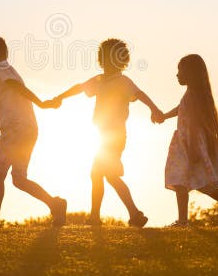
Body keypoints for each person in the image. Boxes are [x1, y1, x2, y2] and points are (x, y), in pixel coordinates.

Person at [51, 38, 163, 227]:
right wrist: (59, 97)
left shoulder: (123, 81)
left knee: (103, 174)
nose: (106, 62)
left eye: (110, 58)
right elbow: (79, 87)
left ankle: (125, 214)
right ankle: (107, 216)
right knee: (101, 174)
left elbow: (140, 94)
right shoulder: (100, 80)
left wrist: (154, 109)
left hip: (115, 135)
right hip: (101, 135)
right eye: (104, 58)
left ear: (120, 61)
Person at [154, 54, 218, 227]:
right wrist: (164, 116)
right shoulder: (192, 94)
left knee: (179, 181)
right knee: (200, 184)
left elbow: (192, 122)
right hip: (188, 141)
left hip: (188, 142)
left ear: (190, 73)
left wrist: (191, 148)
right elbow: (182, 109)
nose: (177, 74)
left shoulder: (193, 94)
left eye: (180, 70)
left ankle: (183, 221)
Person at [0, 36, 67, 228]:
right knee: (19, 179)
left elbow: (16, 87)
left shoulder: (1, 68)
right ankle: (56, 204)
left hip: (15, 128)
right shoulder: (8, 69)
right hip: (28, 129)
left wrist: (42, 104)